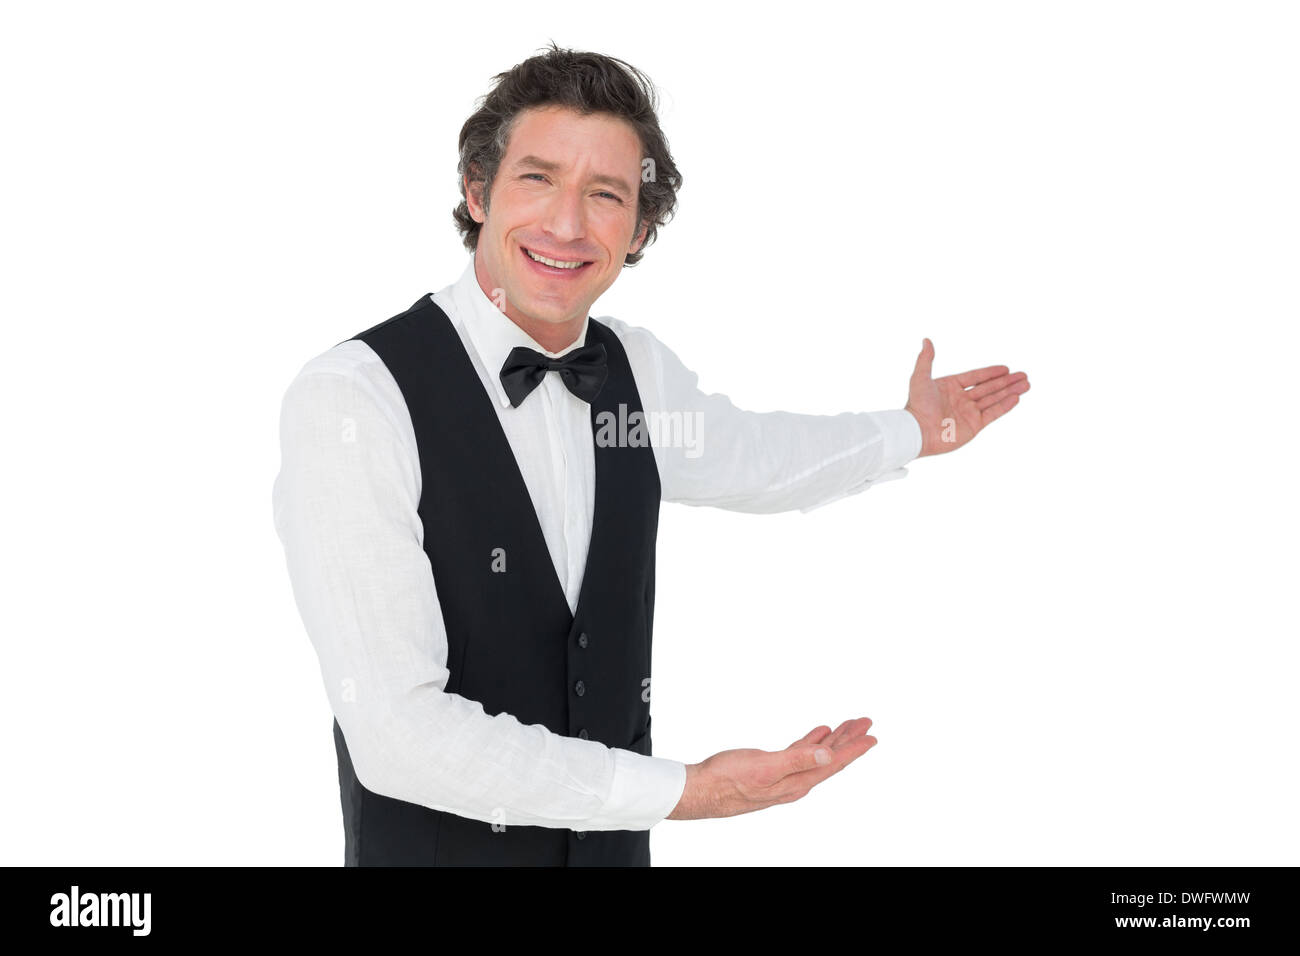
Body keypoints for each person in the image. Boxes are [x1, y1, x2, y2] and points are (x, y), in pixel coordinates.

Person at [271, 43, 1029, 866]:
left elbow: (761, 458)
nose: (567, 225)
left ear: (637, 230)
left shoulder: (634, 373)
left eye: (605, 194)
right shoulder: (355, 399)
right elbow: (396, 732)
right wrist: (687, 792)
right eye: (538, 178)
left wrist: (913, 429)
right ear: (477, 190)